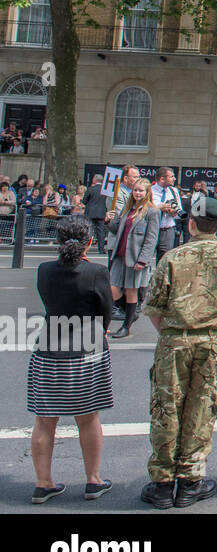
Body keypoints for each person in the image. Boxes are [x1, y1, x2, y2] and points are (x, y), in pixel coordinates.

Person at [140, 196, 217, 509]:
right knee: (203, 408)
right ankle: (190, 480)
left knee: (166, 408)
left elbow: (154, 308)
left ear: (190, 224)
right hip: (213, 341)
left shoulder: (172, 258)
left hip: (174, 340)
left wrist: (173, 333)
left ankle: (162, 482)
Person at [28, 217, 114, 504]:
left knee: (44, 420)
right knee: (88, 418)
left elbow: (47, 302)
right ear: (89, 242)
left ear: (58, 241)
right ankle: (93, 480)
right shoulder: (96, 271)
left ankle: (43, 483)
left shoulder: (44, 270)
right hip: (86, 350)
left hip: (49, 347)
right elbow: (105, 312)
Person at [105, 177, 160, 339]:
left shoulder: (152, 212)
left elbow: (151, 238)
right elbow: (116, 229)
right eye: (135, 190)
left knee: (131, 291)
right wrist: (108, 221)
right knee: (113, 288)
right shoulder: (128, 209)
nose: (137, 193)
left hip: (136, 257)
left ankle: (126, 326)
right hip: (120, 255)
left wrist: (143, 260)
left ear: (147, 192)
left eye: (140, 190)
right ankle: (130, 312)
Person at [151, 167, 183, 263]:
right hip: (152, 228)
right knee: (146, 257)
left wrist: (173, 212)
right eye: (171, 176)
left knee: (165, 259)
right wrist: (159, 208)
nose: (174, 179)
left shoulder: (174, 191)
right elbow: (145, 210)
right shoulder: (150, 191)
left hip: (167, 229)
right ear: (162, 179)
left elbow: (179, 212)